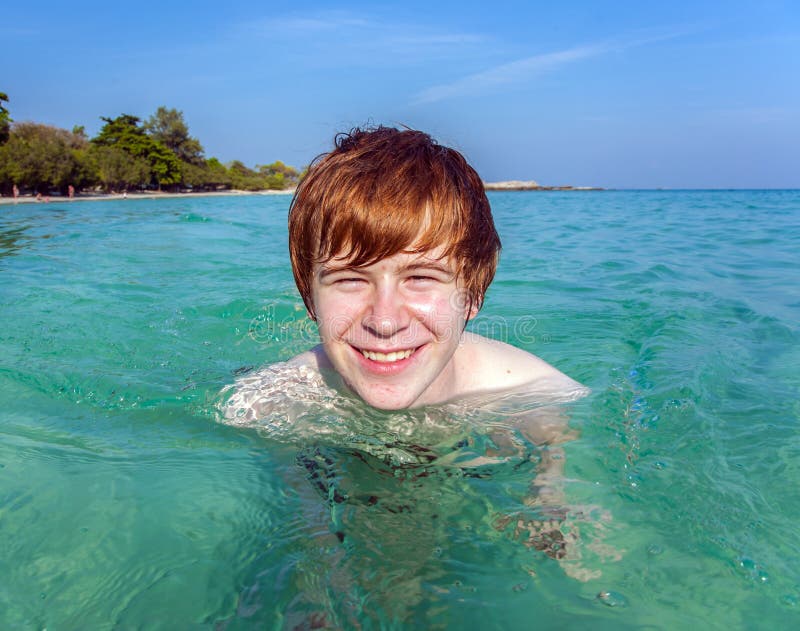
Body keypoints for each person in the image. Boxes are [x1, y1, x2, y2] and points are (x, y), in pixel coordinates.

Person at [224, 126, 584, 418]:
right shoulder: (267, 403)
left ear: (473, 293)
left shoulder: (539, 399)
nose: (384, 322)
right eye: (349, 279)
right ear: (309, 297)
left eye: (421, 278)